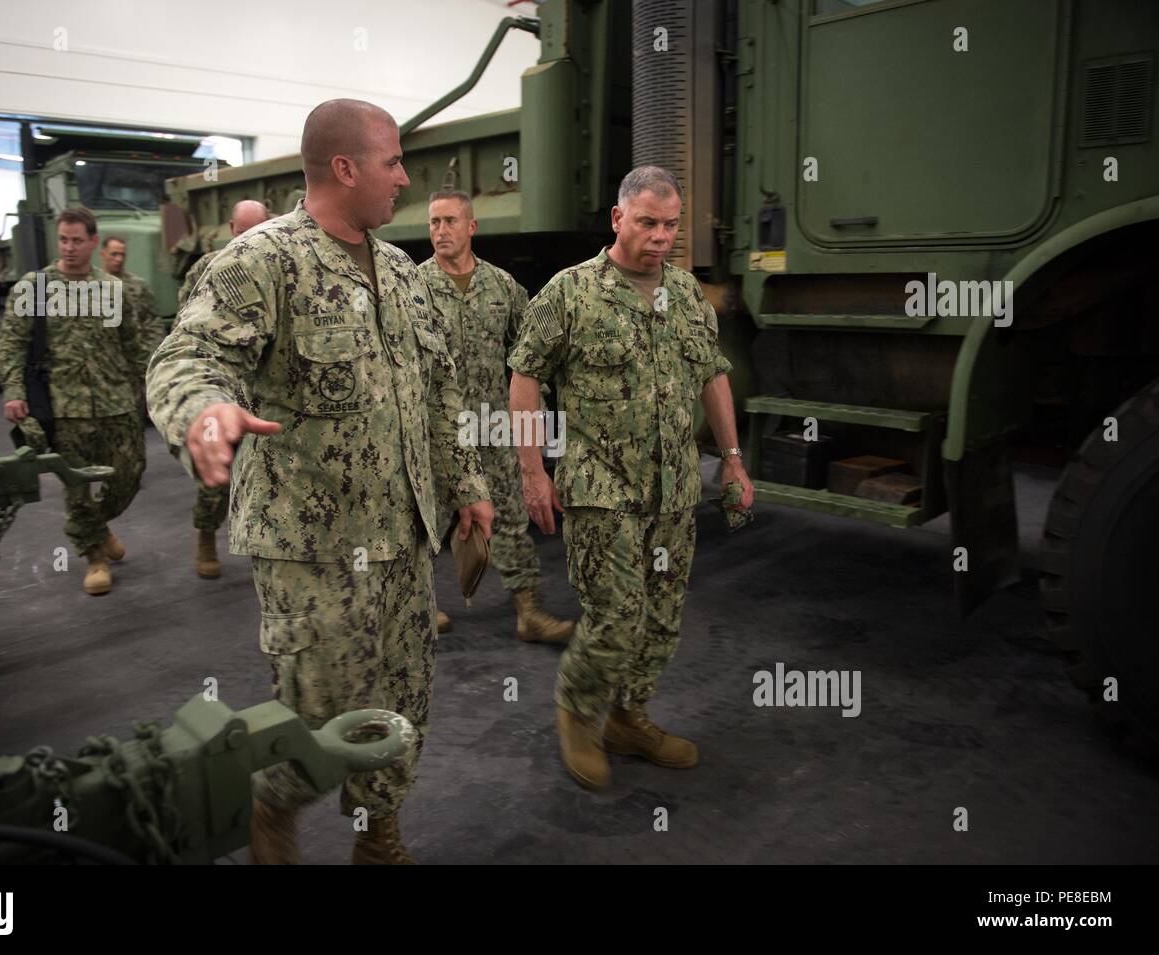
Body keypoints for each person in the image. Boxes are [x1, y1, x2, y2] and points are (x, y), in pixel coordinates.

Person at [147, 99, 492, 864]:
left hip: (402, 539)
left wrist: (466, 482)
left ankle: (378, 834)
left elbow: (437, 390)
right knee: (320, 707)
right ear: (345, 168)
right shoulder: (263, 260)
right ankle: (274, 801)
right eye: (393, 161)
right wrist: (203, 414)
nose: (405, 177)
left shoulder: (401, 271)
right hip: (313, 547)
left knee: (402, 701)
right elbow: (187, 356)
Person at [507, 165, 755, 791]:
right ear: (618, 219)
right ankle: (579, 714)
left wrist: (731, 458)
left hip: (673, 489)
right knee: (616, 616)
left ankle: (628, 717)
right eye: (648, 222)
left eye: (671, 225)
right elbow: (526, 378)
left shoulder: (685, 294)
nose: (661, 236)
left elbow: (712, 375)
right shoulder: (570, 292)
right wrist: (533, 472)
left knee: (662, 617)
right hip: (600, 489)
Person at [418, 189, 573, 643]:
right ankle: (417, 608)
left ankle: (528, 611)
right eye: (433, 223)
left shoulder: (503, 287)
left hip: (494, 425)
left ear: (471, 227)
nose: (440, 231)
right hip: (438, 431)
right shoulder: (411, 288)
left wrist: (538, 418)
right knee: (426, 521)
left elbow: (529, 359)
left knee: (510, 517)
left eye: (449, 221)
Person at [0, 207, 148, 596]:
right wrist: (14, 391)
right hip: (65, 408)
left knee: (128, 478)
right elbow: (11, 343)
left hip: (118, 401)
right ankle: (95, 558)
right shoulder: (36, 287)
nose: (69, 248)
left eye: (77, 240)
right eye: (63, 240)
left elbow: (133, 345)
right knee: (77, 487)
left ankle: (92, 526)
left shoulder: (112, 289)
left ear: (93, 242)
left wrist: (154, 386)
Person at [173, 199, 271, 578]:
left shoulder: (276, 262)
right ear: (231, 228)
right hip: (225, 389)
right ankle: (205, 534)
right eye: (242, 229)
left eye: (256, 228)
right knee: (217, 470)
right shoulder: (206, 268)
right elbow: (190, 330)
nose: (247, 237)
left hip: (266, 393)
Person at [99, 234, 163, 421]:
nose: (118, 259)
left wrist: (151, 356)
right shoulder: (93, 286)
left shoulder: (138, 286)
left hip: (133, 363)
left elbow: (153, 323)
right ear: (103, 254)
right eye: (113, 254)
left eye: (122, 254)